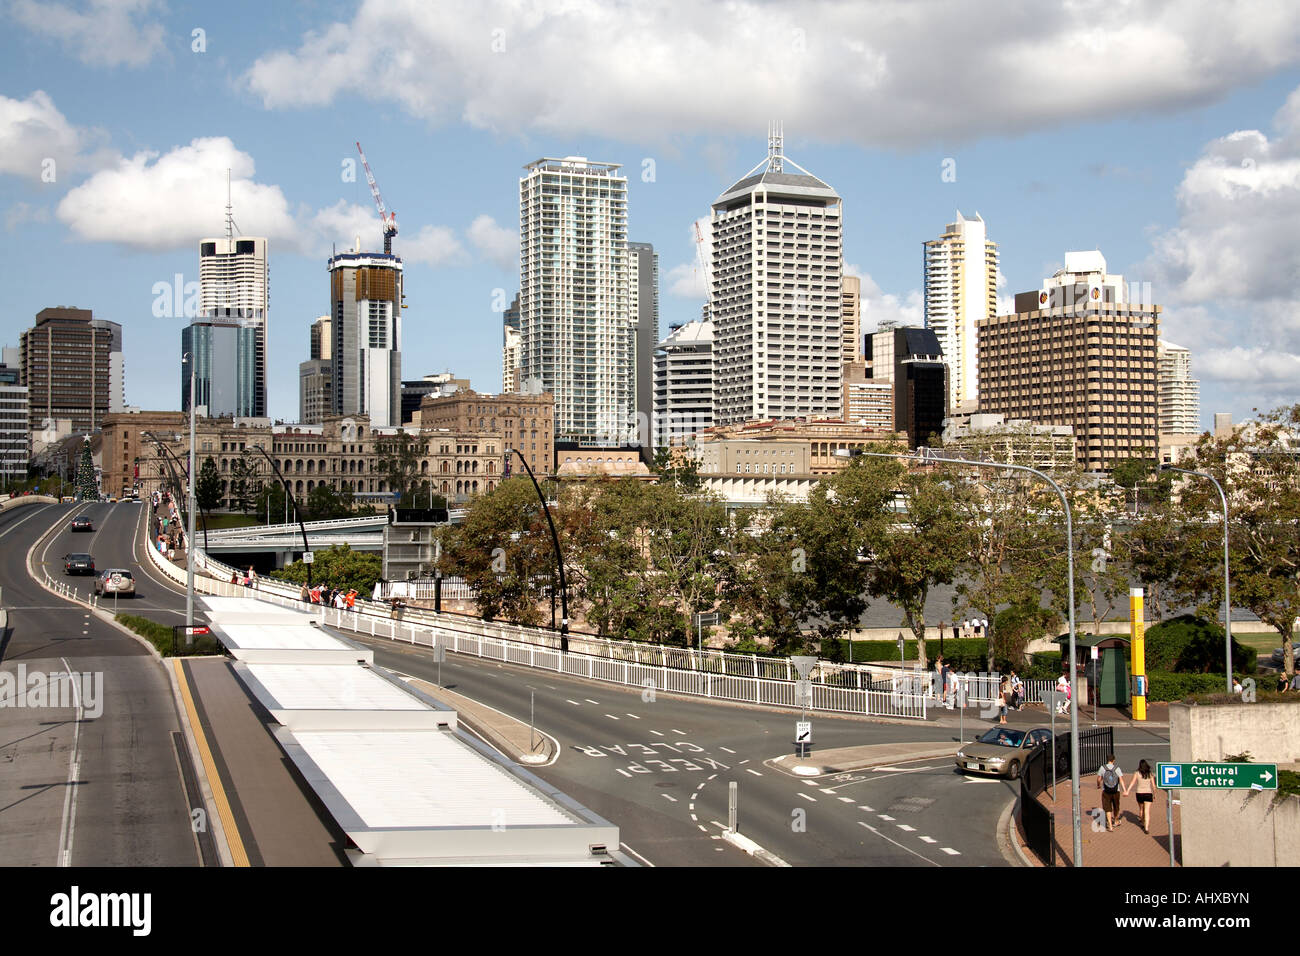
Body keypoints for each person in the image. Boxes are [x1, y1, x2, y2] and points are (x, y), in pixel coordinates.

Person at [1123, 759, 1157, 834]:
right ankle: (1147, 827)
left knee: (1141, 809)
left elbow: (1132, 782)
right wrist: (1154, 794)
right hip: (1148, 793)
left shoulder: (1137, 773)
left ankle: (1142, 822)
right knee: (1147, 811)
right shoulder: (1150, 774)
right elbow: (1154, 786)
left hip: (1139, 793)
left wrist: (1127, 791)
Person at [1097, 754, 1124, 831]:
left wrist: (1098, 785)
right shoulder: (1117, 768)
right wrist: (1125, 790)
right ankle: (1116, 821)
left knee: (1108, 808)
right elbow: (1121, 780)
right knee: (1116, 807)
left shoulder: (1103, 768)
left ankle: (1110, 825)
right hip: (1116, 790)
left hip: (1106, 790)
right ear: (1113, 760)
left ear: (1107, 759)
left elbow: (1099, 778)